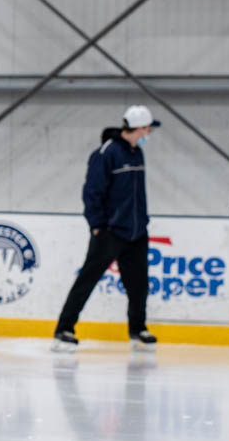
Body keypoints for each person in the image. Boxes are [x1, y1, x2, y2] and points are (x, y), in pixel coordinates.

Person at [51, 105, 160, 353]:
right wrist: (98, 226)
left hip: (136, 233)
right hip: (110, 231)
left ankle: (137, 329)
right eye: (147, 128)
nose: (148, 133)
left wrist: (142, 222)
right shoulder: (106, 153)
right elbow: (92, 192)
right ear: (139, 128)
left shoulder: (137, 153)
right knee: (87, 280)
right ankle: (63, 330)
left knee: (139, 285)